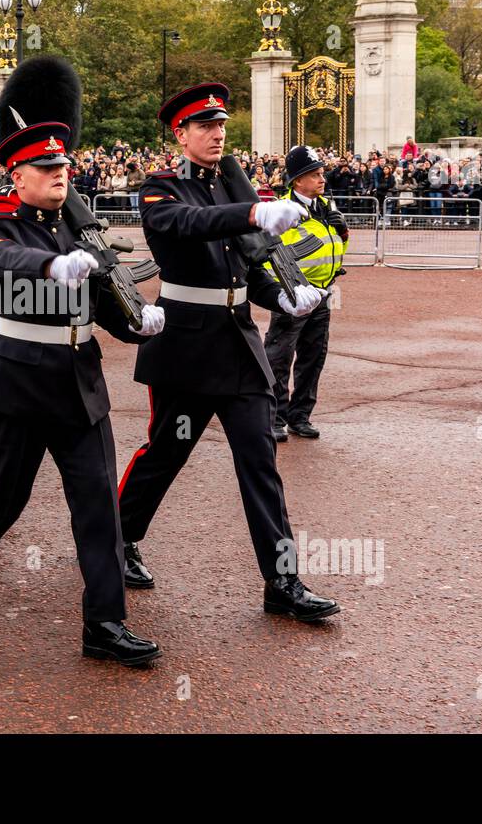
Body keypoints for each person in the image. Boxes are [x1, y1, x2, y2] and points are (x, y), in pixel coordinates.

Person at [0, 56, 167, 666]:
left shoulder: (83, 230)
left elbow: (105, 297)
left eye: (64, 165)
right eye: (46, 166)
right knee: (1, 499)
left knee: (97, 504)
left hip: (79, 383)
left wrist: (137, 322)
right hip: (17, 380)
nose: (60, 173)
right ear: (18, 173)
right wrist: (48, 266)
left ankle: (105, 624)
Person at [115, 82, 340, 623]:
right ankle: (117, 541)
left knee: (260, 461)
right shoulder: (161, 189)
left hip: (237, 345)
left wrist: (287, 296)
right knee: (166, 456)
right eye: (204, 127)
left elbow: (243, 272)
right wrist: (252, 215)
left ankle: (281, 581)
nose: (216, 134)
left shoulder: (229, 187)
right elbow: (186, 227)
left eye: (221, 126)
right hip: (186, 349)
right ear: (181, 134)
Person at [264, 145, 349, 441]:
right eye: (315, 175)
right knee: (279, 356)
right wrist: (284, 288)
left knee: (313, 356)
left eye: (322, 173)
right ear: (297, 180)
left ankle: (300, 416)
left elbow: (335, 250)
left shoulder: (327, 206)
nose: (321, 179)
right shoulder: (283, 210)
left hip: (324, 292)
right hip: (292, 293)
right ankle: (275, 417)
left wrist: (344, 235)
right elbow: (269, 253)